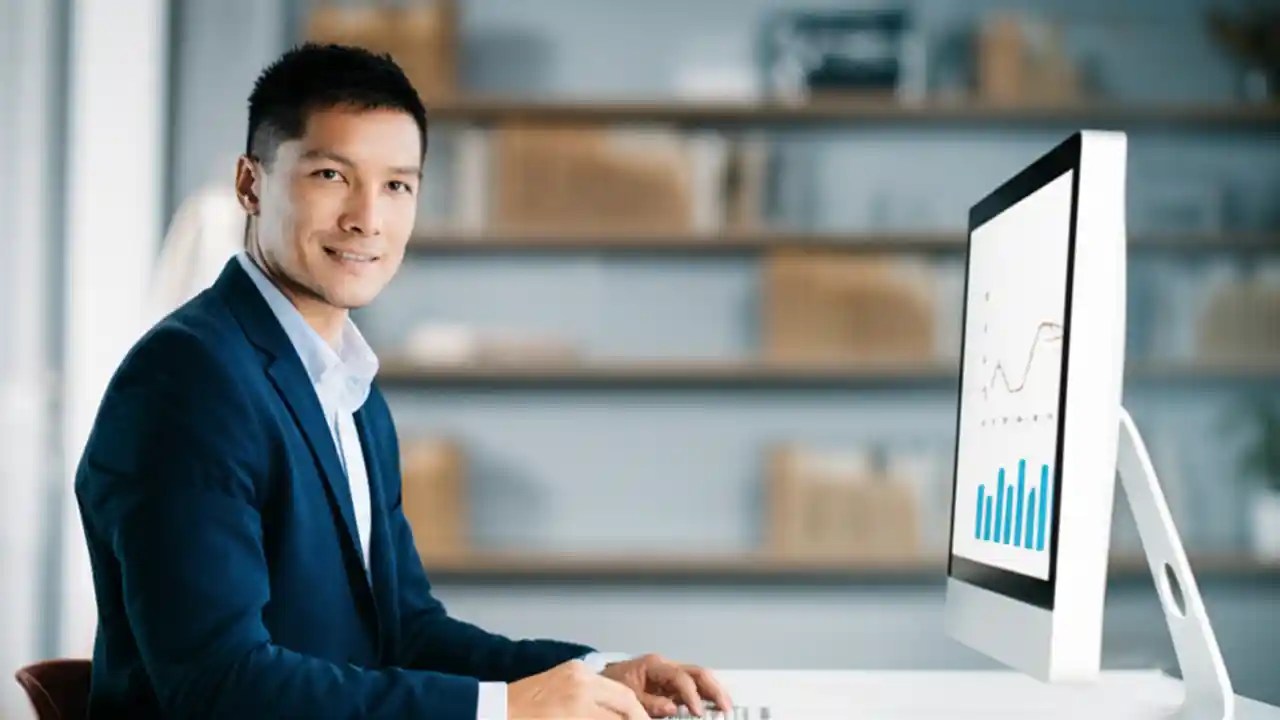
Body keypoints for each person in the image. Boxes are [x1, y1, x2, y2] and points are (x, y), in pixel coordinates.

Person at [74, 43, 733, 720]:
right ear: (251, 183)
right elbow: (219, 684)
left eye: (397, 185)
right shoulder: (189, 380)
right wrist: (504, 710)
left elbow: (406, 631)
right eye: (331, 175)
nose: (368, 217)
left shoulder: (346, 386)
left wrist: (598, 675)